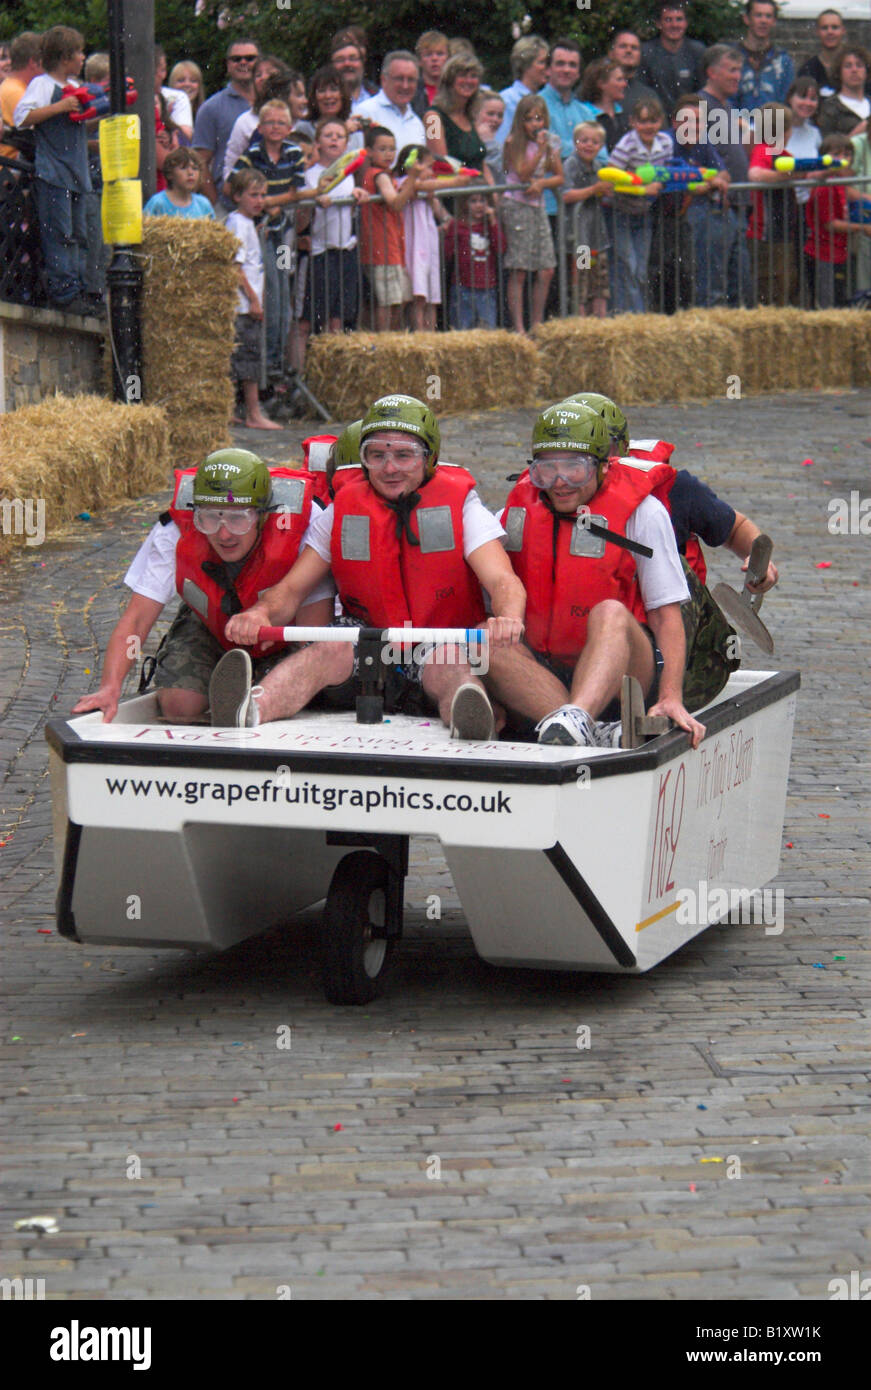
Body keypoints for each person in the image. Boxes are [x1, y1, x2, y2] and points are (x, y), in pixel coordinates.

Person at [208, 395, 526, 740]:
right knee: (329, 644)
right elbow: (291, 590)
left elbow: (503, 580)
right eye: (376, 455)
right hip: (369, 643)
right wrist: (260, 614)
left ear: (429, 458)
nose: (389, 468)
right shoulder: (340, 512)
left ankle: (468, 712)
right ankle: (252, 707)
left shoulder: (463, 508)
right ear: (364, 460)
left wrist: (507, 617)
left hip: (438, 639)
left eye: (404, 455)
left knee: (450, 662)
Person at [484, 403, 704, 749]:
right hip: (545, 674)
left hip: (626, 667)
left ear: (603, 466)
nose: (560, 482)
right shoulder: (513, 513)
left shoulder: (644, 514)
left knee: (610, 612)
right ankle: (589, 727)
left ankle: (578, 715)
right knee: (484, 637)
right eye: (547, 469)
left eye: (575, 468)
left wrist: (671, 696)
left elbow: (665, 614)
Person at [71, 450, 333, 725]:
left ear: (262, 515)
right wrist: (110, 687)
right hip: (210, 620)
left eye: (238, 519)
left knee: (291, 699)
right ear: (195, 513)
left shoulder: (305, 522)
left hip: (283, 628)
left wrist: (290, 670)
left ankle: (255, 684)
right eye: (209, 518)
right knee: (179, 705)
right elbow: (137, 619)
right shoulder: (174, 530)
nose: (224, 534)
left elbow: (313, 624)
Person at [565, 390, 778, 710]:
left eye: (599, 453)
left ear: (618, 450)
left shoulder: (675, 490)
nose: (580, 470)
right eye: (570, 456)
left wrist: (759, 563)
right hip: (583, 644)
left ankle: (657, 695)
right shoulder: (545, 496)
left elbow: (735, 527)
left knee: (667, 563)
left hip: (678, 652)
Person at [13, 25, 102, 317]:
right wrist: (60, 106)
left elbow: (71, 126)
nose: (83, 57)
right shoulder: (43, 85)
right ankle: (63, 292)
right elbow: (22, 117)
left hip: (77, 175)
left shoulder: (73, 87)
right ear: (64, 57)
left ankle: (79, 289)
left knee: (80, 235)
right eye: (79, 52)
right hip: (54, 175)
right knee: (61, 234)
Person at [232, 99, 306, 379]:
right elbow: (236, 185)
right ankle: (268, 362)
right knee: (269, 287)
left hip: (283, 228)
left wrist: (273, 201)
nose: (275, 128)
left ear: (289, 127)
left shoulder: (294, 152)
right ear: (260, 127)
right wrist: (268, 203)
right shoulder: (252, 154)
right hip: (261, 228)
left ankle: (277, 359)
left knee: (285, 283)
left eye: (281, 123)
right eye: (270, 122)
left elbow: (297, 191)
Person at [295, 117, 368, 358]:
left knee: (337, 319)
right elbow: (299, 223)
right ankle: (295, 373)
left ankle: (330, 373)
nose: (334, 139)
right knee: (306, 319)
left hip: (344, 251)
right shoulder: (310, 176)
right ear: (318, 143)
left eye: (340, 136)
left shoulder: (348, 177)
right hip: (319, 253)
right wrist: (313, 202)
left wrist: (356, 195)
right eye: (328, 135)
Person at [698, 43, 754, 306]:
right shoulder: (699, 106)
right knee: (714, 286)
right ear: (712, 72)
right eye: (731, 70)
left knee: (739, 286)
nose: (737, 76)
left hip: (737, 206)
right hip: (714, 208)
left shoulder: (729, 107)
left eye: (739, 70)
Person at [501, 93, 562, 335]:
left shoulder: (551, 142)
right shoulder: (512, 142)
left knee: (546, 268)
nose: (535, 124)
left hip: (538, 206)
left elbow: (559, 176)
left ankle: (536, 324)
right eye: (529, 119)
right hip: (517, 206)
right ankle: (518, 327)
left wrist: (542, 184)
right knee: (520, 269)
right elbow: (523, 174)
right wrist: (539, 152)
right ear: (521, 121)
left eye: (539, 118)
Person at [225, 168, 279, 430]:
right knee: (248, 360)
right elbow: (236, 267)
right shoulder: (237, 224)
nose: (259, 200)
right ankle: (253, 413)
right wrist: (253, 300)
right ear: (237, 196)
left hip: (248, 304)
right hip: (244, 305)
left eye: (262, 195)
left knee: (245, 359)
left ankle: (238, 410)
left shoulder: (247, 224)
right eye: (253, 195)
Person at [607, 96, 672, 315]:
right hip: (621, 212)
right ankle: (632, 315)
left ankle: (638, 314)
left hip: (644, 213)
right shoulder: (626, 145)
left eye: (653, 121)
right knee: (628, 266)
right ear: (633, 122)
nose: (648, 127)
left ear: (660, 121)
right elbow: (610, 178)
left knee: (641, 269)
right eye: (643, 122)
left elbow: (665, 172)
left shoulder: (665, 142)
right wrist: (642, 187)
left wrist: (659, 183)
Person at [668, 94, 731, 309]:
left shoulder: (703, 143)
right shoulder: (666, 143)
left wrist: (714, 180)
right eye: (688, 120)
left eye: (698, 121)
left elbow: (724, 174)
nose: (693, 126)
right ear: (675, 122)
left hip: (694, 220)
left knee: (706, 269)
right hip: (667, 221)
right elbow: (665, 177)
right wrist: (697, 183)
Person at [358, 124, 421, 330]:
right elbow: (395, 202)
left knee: (397, 298)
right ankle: (384, 341)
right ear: (369, 151)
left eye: (392, 149)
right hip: (382, 247)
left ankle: (388, 339)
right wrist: (412, 178)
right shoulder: (380, 175)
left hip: (390, 246)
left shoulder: (383, 174)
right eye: (382, 149)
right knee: (388, 301)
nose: (388, 154)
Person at [192, 35, 260, 209]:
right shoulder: (211, 108)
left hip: (270, 202)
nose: (243, 62)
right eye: (236, 59)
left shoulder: (273, 103)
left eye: (250, 58)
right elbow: (200, 161)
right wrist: (215, 204)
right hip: (230, 205)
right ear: (228, 65)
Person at [805, 134, 869, 306]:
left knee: (838, 300)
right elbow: (830, 224)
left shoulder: (838, 181)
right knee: (827, 305)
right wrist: (862, 228)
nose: (843, 159)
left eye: (847, 155)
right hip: (824, 255)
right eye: (837, 154)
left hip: (837, 253)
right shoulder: (825, 186)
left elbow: (854, 195)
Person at [747, 101, 801, 305]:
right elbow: (755, 174)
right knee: (770, 290)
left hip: (783, 232)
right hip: (766, 234)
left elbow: (804, 173)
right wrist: (784, 176)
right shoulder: (764, 150)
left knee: (786, 285)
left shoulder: (785, 155)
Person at [396, 144, 449, 331]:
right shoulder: (405, 182)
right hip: (414, 243)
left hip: (429, 243)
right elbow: (418, 186)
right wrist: (457, 181)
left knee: (432, 297)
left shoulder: (428, 190)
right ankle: (419, 334)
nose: (431, 171)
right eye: (428, 166)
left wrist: (447, 219)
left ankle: (430, 334)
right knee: (419, 295)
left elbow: (440, 211)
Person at [561, 121, 610, 318]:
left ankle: (600, 319)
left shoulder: (600, 167)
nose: (589, 145)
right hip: (579, 237)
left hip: (597, 236)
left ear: (601, 146)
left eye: (595, 142)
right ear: (574, 142)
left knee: (599, 281)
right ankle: (581, 320)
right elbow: (565, 195)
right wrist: (593, 190)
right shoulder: (570, 164)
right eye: (584, 140)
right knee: (581, 281)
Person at [222, 57, 292, 184]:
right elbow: (230, 169)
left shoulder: (298, 116)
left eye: (270, 73)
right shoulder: (245, 121)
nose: (263, 78)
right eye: (258, 75)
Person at [443, 189, 506, 328]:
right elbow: (448, 253)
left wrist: (493, 222)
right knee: (462, 328)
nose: (479, 205)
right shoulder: (458, 225)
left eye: (482, 201)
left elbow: (501, 248)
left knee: (488, 327)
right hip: (462, 286)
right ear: (465, 204)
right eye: (473, 201)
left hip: (487, 287)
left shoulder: (491, 225)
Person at [425, 52, 491, 183]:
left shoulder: (470, 116)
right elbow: (441, 166)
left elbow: (481, 162)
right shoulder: (432, 118)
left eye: (473, 76)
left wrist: (493, 195)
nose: (468, 81)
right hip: (454, 195)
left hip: (478, 195)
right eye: (462, 76)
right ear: (449, 80)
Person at [639, 2, 705, 115]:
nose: (675, 25)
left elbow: (703, 91)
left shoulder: (697, 51)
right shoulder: (646, 53)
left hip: (690, 120)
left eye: (679, 19)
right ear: (658, 24)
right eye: (668, 20)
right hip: (656, 120)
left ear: (686, 23)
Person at [356, 51, 427, 152]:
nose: (405, 86)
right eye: (399, 79)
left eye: (411, 80)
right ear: (384, 80)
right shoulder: (365, 112)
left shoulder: (417, 123)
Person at [735, 0, 794, 108]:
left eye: (768, 16)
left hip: (773, 123)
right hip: (735, 122)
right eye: (758, 15)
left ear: (774, 21)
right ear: (746, 19)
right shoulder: (732, 57)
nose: (763, 21)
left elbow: (786, 101)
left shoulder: (783, 61)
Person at [495, 36, 550, 144]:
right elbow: (501, 142)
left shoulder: (542, 99)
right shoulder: (507, 100)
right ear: (525, 65)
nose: (547, 68)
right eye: (542, 62)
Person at [0, 31, 42, 162]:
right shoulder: (15, 92)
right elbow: (38, 136)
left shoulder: (16, 87)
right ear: (34, 63)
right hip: (13, 173)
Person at [143, 146, 215, 218]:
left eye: (195, 168)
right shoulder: (158, 203)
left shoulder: (203, 204)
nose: (190, 173)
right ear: (170, 174)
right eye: (183, 168)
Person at [577, 58, 629, 155]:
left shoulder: (622, 115)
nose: (625, 84)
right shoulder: (584, 114)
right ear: (601, 84)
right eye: (619, 79)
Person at [818, 47, 870, 138]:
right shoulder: (830, 107)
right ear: (839, 72)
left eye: (859, 65)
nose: (854, 70)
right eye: (848, 66)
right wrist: (858, 133)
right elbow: (826, 145)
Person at [798, 9, 847, 99]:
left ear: (843, 30)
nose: (830, 32)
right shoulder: (808, 69)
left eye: (835, 27)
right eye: (824, 28)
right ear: (817, 32)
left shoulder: (855, 67)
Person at [608, 31, 658, 118]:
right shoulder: (596, 89)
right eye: (623, 46)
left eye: (634, 48)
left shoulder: (649, 96)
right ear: (611, 54)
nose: (629, 50)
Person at [154, 45, 192, 141]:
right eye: (161, 70)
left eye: (164, 70)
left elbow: (185, 138)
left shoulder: (177, 97)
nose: (163, 75)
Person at [329, 31, 374, 113]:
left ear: (362, 62)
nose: (347, 64)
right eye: (340, 60)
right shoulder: (325, 102)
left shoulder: (377, 96)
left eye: (353, 58)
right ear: (332, 65)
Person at [413, 29, 449, 117]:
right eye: (428, 55)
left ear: (448, 58)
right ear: (419, 61)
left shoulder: (455, 90)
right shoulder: (412, 90)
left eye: (440, 54)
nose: (434, 59)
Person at [474, 88, 506, 184]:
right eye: (490, 114)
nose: (495, 119)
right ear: (476, 114)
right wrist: (488, 143)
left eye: (500, 116)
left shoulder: (498, 144)